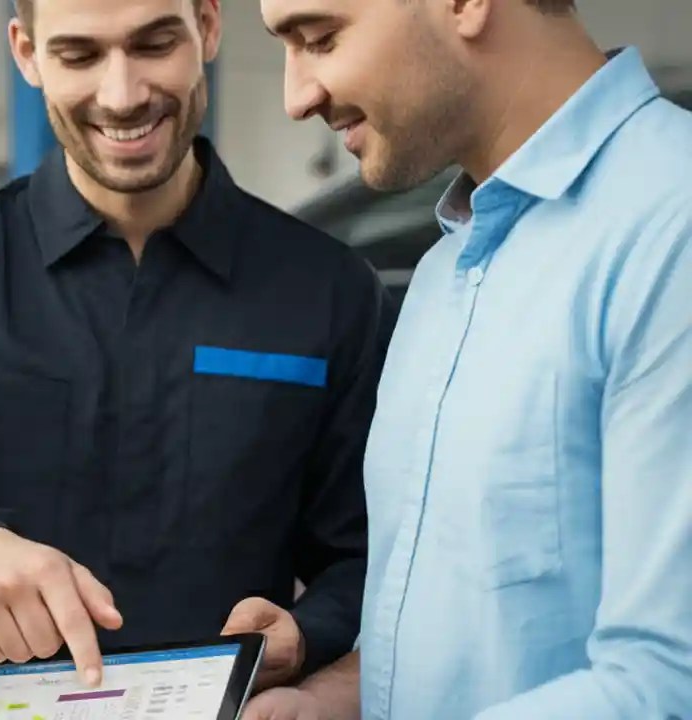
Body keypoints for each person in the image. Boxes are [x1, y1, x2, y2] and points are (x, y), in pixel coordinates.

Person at [0, 0, 395, 698]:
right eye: (80, 55)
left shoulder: (327, 291)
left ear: (208, 27)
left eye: (153, 44)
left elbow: (371, 549)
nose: (121, 95)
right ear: (27, 53)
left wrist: (308, 632)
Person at [241, 0, 692, 718]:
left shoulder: (672, 227)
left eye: (321, 39)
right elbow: (476, 648)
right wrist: (329, 702)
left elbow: (668, 684)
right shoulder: (441, 277)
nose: (296, 97)